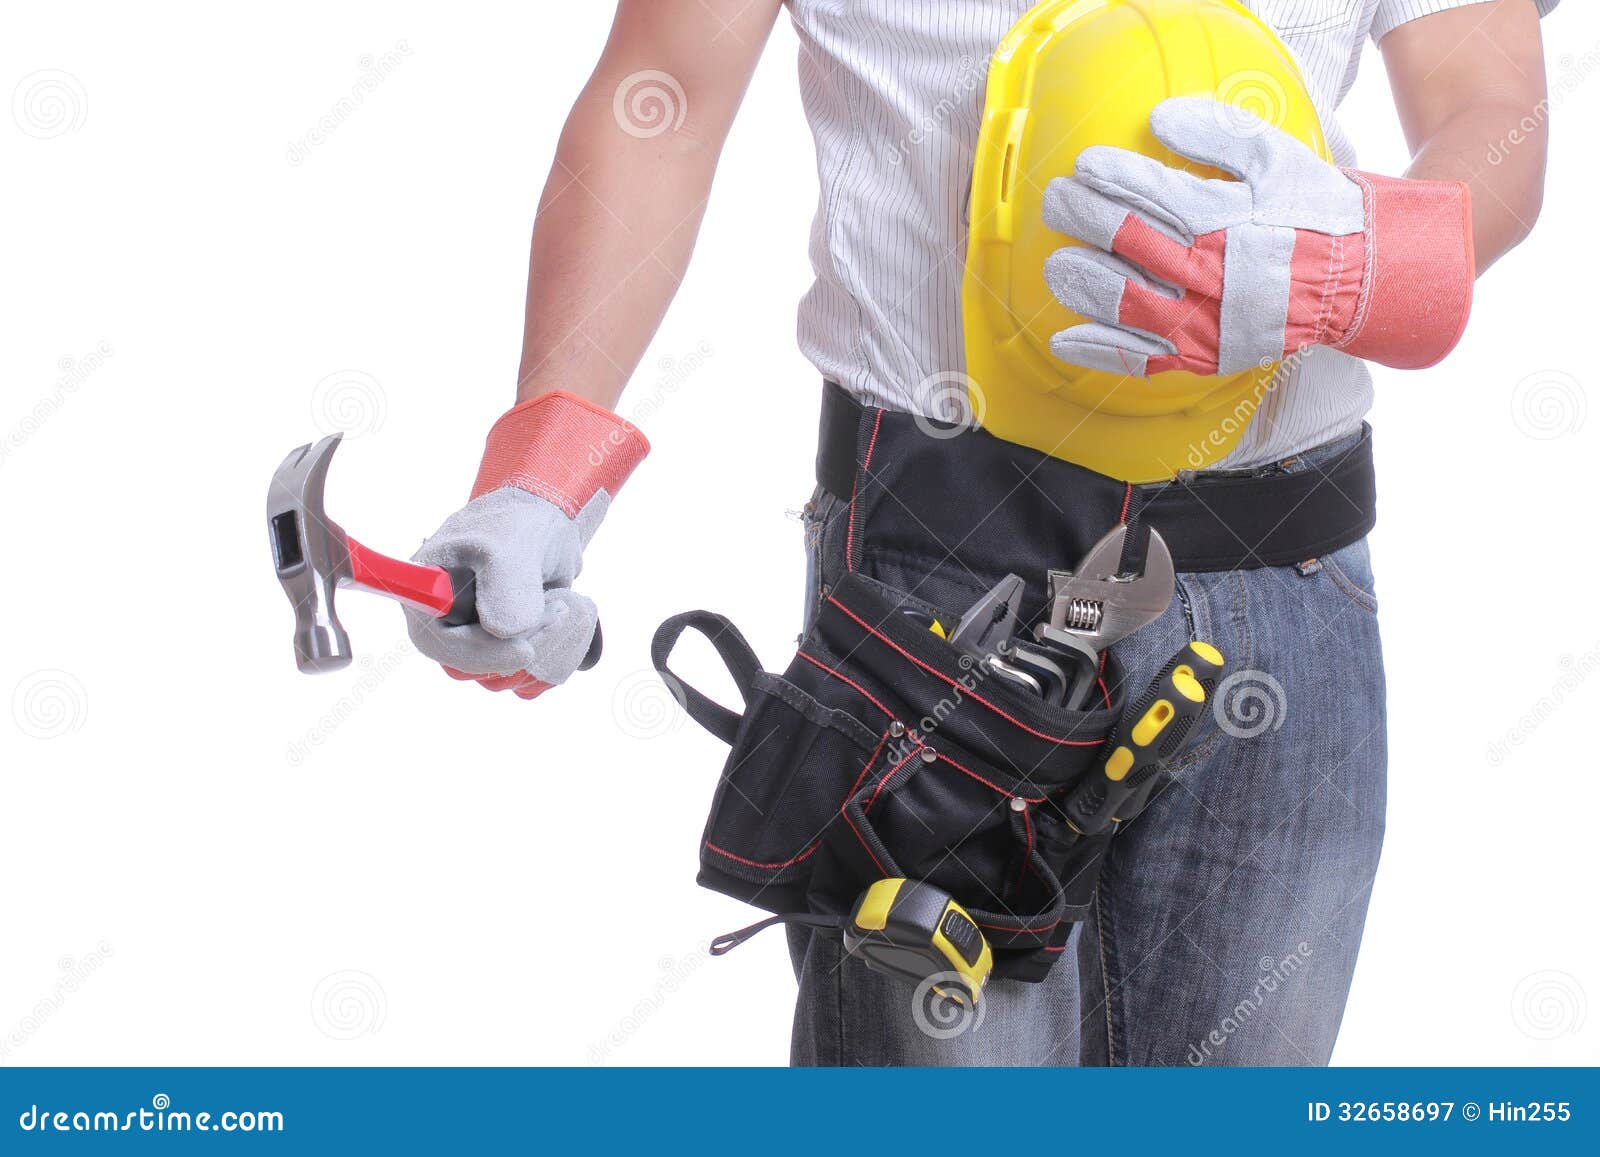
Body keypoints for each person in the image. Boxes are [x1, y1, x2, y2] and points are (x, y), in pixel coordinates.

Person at [403, 0, 1556, 1065]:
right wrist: (543, 464)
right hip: (930, 585)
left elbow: (1487, 101)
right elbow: (661, 95)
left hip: (1282, 580)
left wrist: (1368, 257)